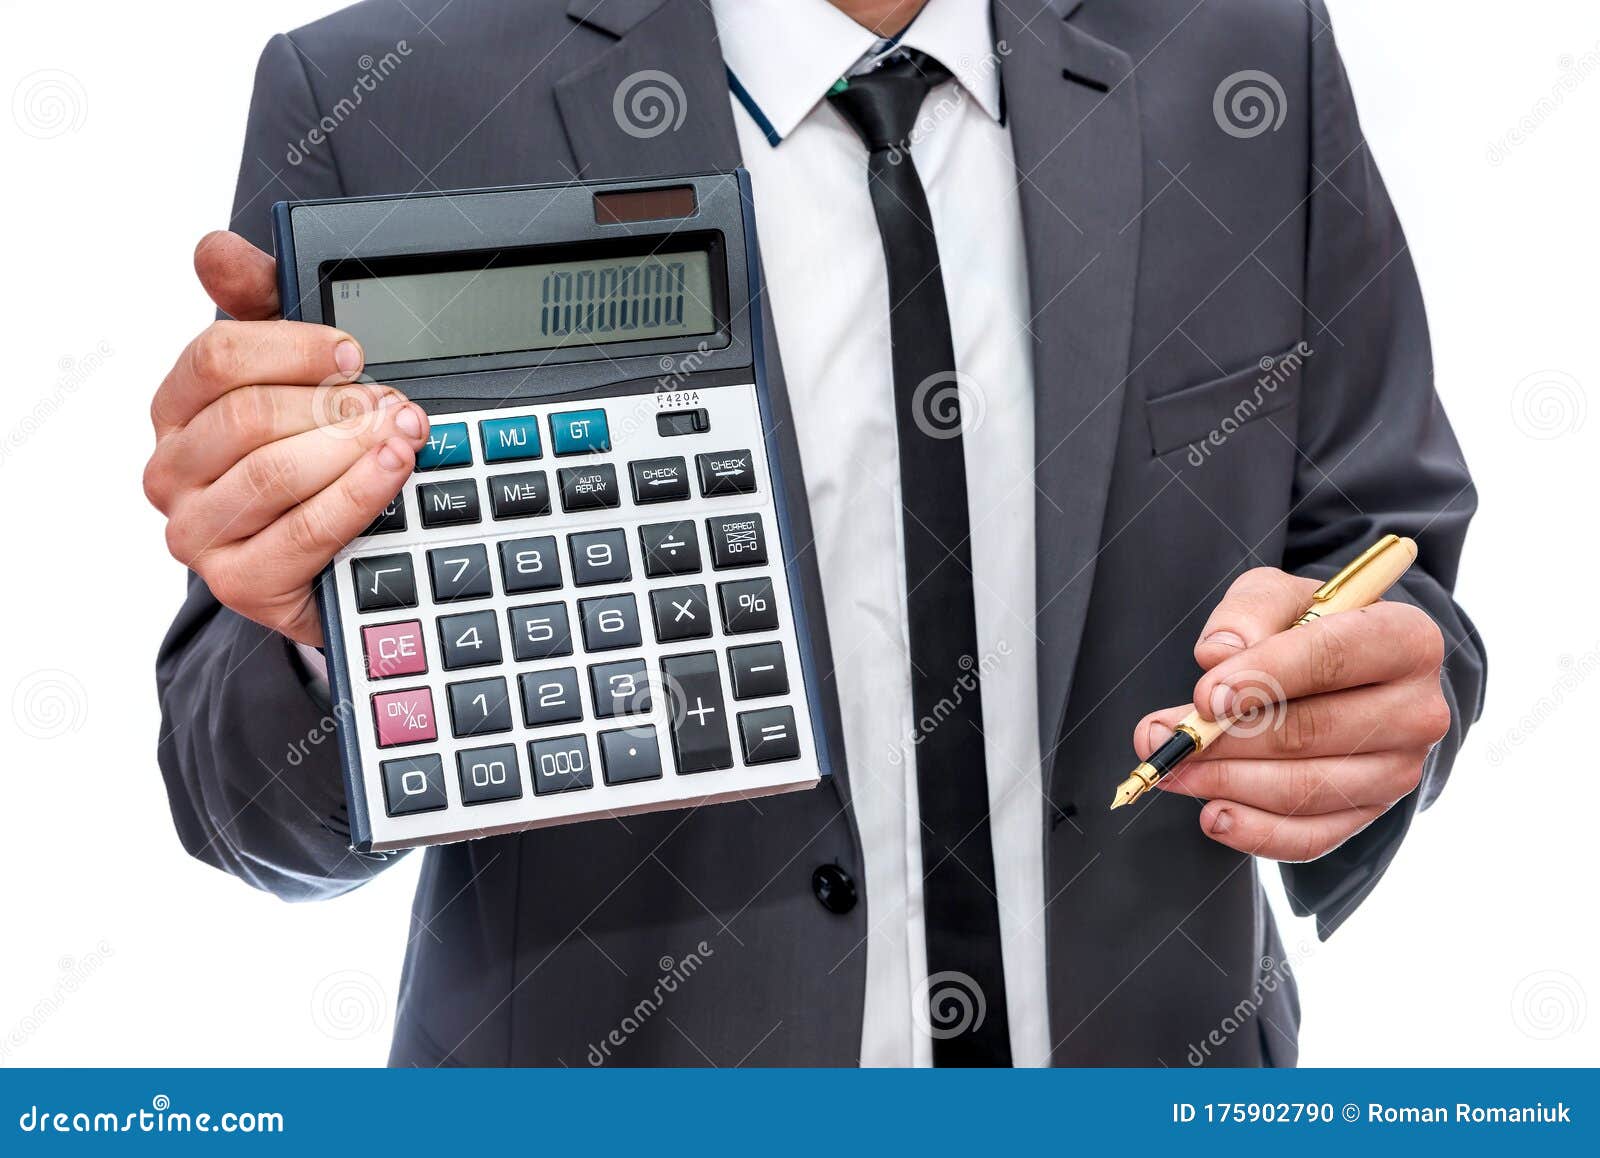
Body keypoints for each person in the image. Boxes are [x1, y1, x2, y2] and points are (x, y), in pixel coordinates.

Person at [145, 0, 1484, 1066]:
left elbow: (1392, 557)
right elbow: (237, 789)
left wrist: (1371, 698)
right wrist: (334, 649)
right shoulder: (389, 95)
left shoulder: (1248, 55)